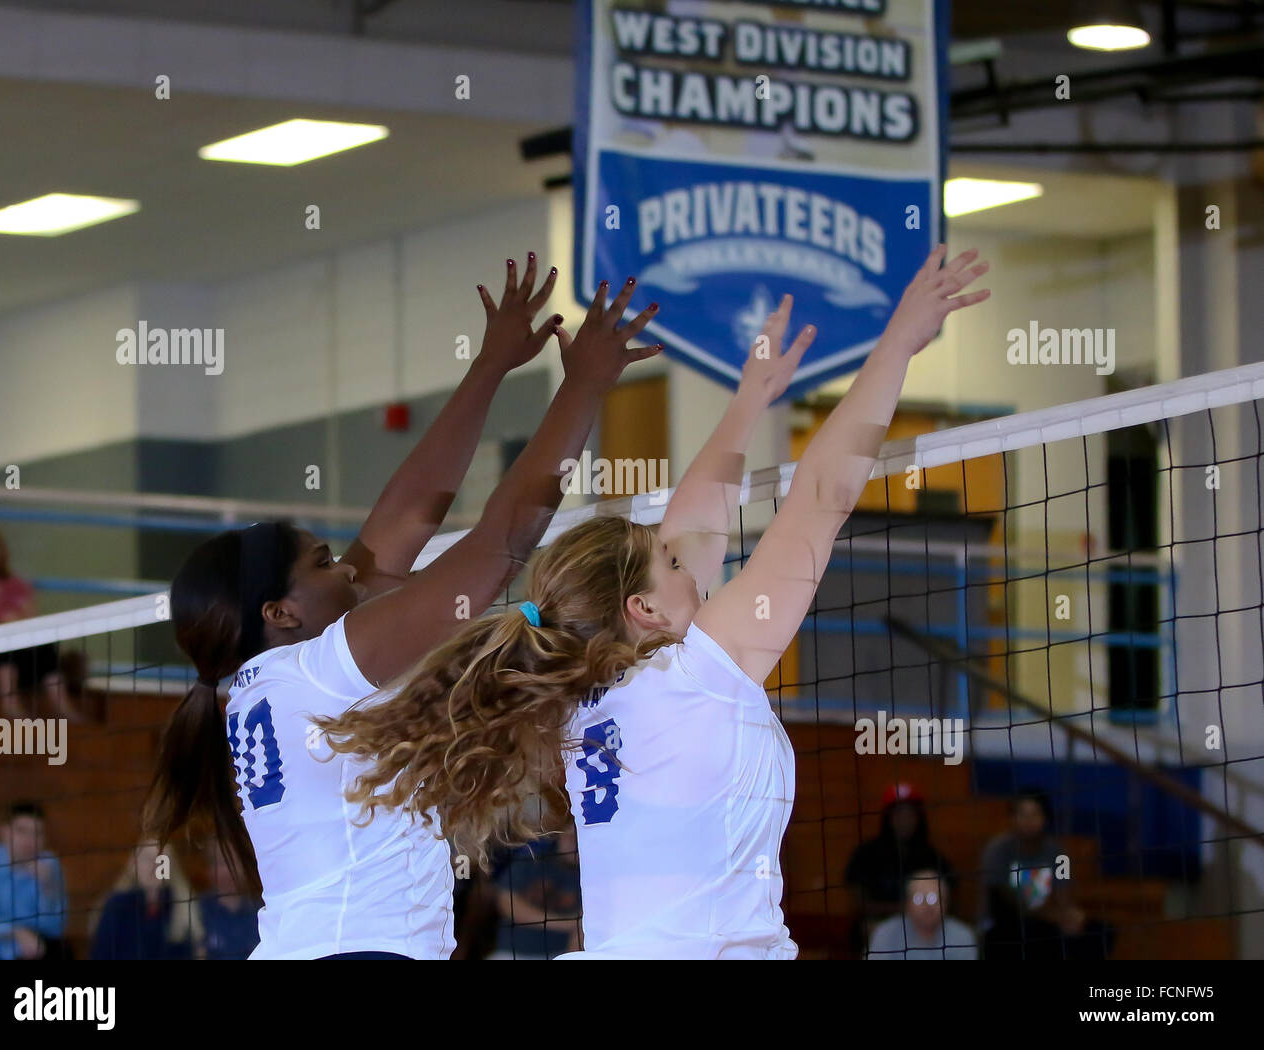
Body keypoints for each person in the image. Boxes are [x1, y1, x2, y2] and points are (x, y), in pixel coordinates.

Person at [320, 246, 992, 959]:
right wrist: (898, 343)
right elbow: (823, 499)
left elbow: (695, 524)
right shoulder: (696, 674)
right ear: (642, 609)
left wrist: (751, 399)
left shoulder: (591, 697)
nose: (696, 562)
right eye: (673, 564)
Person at [144, 256, 661, 960]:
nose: (350, 567)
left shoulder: (269, 682)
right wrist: (585, 386)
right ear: (281, 611)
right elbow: (502, 541)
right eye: (324, 563)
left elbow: (412, 513)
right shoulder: (316, 669)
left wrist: (493, 365)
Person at [980, 788, 1114, 960]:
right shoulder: (997, 849)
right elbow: (1004, 901)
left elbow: (1064, 895)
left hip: (1047, 923)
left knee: (1100, 931)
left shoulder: (1059, 854)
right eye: (1022, 814)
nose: (1028, 821)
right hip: (1006, 924)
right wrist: (1052, 916)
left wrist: (1071, 916)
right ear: (1012, 818)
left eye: (1035, 814)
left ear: (1045, 818)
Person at [0, 523, 76, 720]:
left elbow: (34, 624)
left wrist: (16, 623)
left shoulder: (18, 586)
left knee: (45, 649)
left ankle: (63, 707)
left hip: (21, 659)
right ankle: (10, 705)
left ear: (1, 551)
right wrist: (3, 626)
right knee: (2, 649)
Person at [845, 782, 955, 954]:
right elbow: (857, 902)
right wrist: (900, 912)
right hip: (876, 928)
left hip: (924, 929)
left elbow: (948, 901)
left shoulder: (933, 858)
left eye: (910, 814)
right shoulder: (865, 855)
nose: (904, 820)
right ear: (888, 818)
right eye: (898, 813)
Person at [0, 801, 71, 959]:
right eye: (22, 831)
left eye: (37, 833)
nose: (29, 840)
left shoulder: (49, 865)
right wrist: (16, 933)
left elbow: (56, 928)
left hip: (33, 945)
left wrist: (48, 888)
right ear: (4, 832)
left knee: (61, 950)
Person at [89, 840, 199, 960]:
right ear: (134, 865)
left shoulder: (183, 909)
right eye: (147, 859)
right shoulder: (116, 905)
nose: (154, 866)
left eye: (162, 860)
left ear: (171, 868)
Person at [490, 825, 581, 960]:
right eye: (568, 836)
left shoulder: (596, 875)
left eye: (577, 838)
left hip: (560, 954)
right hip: (514, 953)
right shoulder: (532, 859)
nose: (572, 842)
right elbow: (506, 904)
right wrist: (569, 924)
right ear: (559, 836)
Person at [866, 868, 978, 959]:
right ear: (907, 903)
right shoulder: (885, 933)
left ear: (946, 903)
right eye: (918, 899)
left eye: (934, 899)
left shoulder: (962, 937)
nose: (927, 906)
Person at [198, 845, 261, 960]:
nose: (227, 868)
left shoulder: (261, 908)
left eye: (233, 861)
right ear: (209, 869)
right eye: (221, 862)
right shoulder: (199, 909)